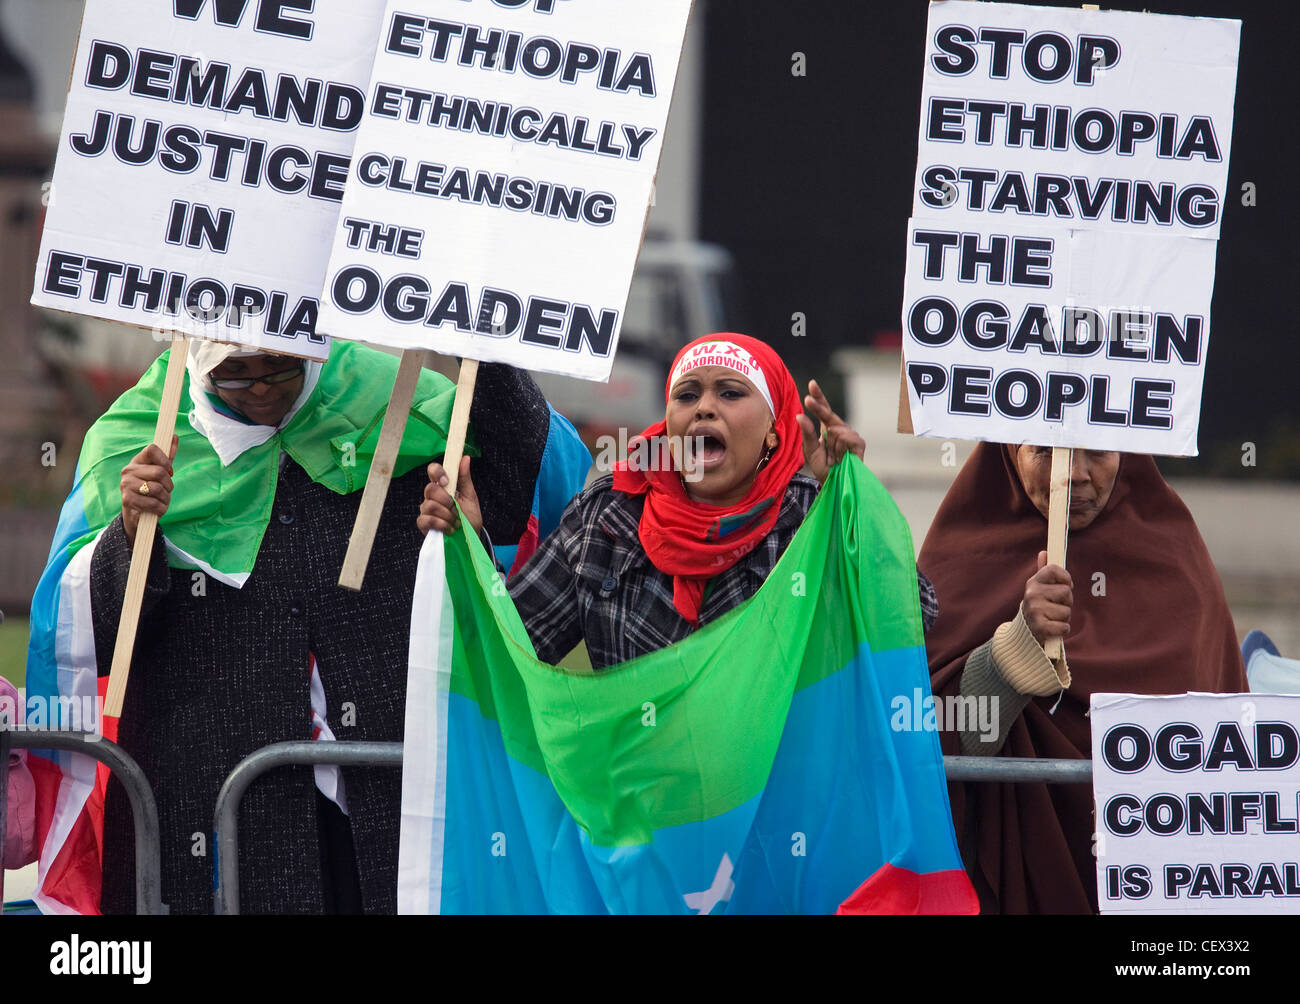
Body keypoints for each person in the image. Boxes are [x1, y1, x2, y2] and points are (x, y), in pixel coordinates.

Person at [26, 339, 591, 915]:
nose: (263, 387)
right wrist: (128, 534)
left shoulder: (403, 404)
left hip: (389, 797)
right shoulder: (134, 442)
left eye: (277, 365)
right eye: (235, 375)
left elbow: (532, 482)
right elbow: (86, 636)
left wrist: (483, 339)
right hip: (209, 806)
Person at [420, 332, 937, 668]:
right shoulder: (608, 514)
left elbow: (913, 621)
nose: (704, 409)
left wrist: (851, 506)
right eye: (686, 396)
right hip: (637, 819)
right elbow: (507, 652)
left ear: (774, 433)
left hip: (777, 818)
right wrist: (471, 550)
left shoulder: (812, 515)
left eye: (730, 394)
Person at [919, 443, 1247, 914]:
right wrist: (1015, 650)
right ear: (1009, 454)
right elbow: (932, 743)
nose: (1072, 475)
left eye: (1097, 452)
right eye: (1044, 453)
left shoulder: (1177, 567)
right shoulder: (962, 557)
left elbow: (1221, 763)